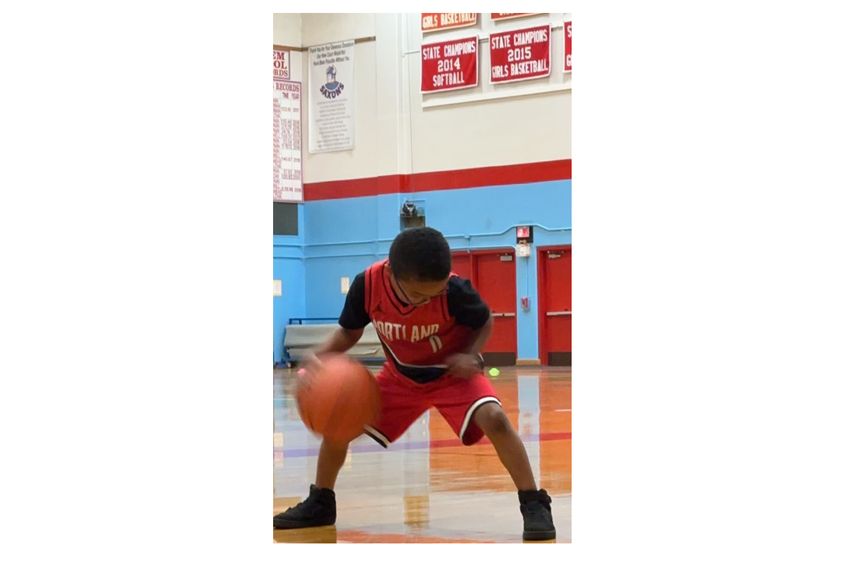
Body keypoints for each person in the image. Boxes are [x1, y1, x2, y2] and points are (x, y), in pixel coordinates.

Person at [273, 227, 555, 540]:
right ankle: (321, 502)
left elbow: (483, 321)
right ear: (391, 274)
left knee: (496, 418)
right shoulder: (367, 285)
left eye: (435, 293)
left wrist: (469, 353)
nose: (427, 300)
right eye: (419, 295)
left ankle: (534, 502)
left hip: (452, 375)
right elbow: (349, 332)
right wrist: (319, 355)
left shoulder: (455, 291)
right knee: (337, 421)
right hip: (400, 377)